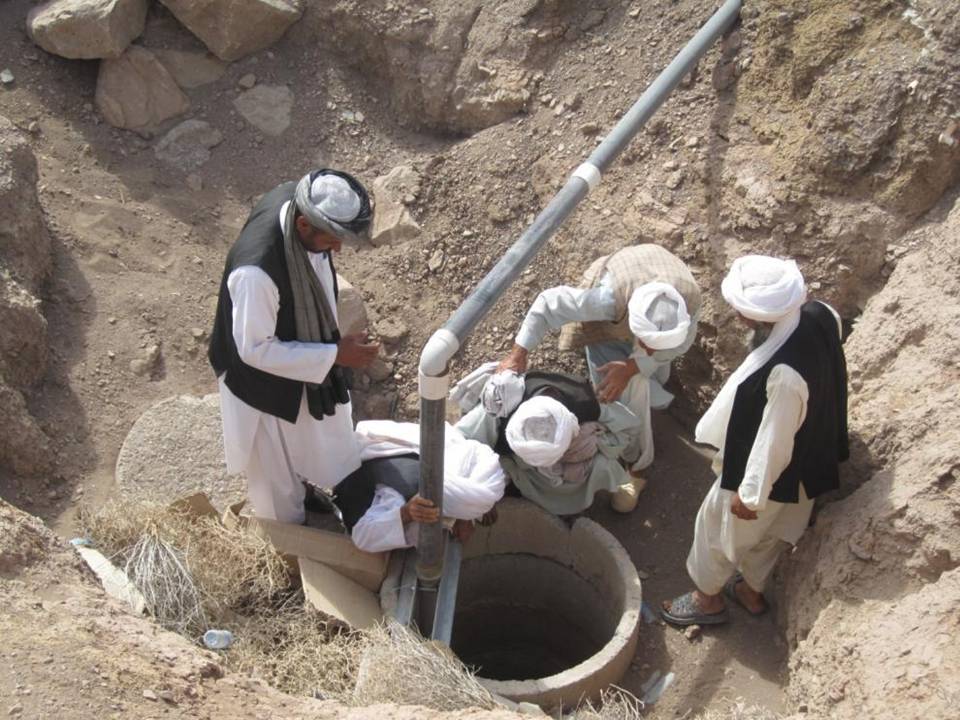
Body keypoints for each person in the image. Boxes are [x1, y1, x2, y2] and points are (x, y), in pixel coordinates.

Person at [661, 255, 848, 626]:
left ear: (763, 316)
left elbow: (774, 439)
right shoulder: (821, 314)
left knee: (718, 532)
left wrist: (750, 494)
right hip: (811, 458)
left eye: (742, 311)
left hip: (768, 475)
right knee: (773, 534)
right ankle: (751, 591)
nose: (736, 315)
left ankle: (706, 601)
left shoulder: (785, 375)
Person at [208, 169, 380, 524]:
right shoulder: (255, 274)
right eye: (333, 239)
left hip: (300, 358)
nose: (338, 248)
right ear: (303, 224)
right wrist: (335, 354)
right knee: (276, 482)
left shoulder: (297, 202)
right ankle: (290, 542)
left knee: (320, 440)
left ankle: (309, 489)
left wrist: (329, 349)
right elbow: (254, 350)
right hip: (257, 385)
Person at [498, 243, 702, 513]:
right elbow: (548, 304)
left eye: (656, 344)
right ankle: (636, 457)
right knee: (615, 391)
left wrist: (632, 366)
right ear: (633, 324)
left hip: (660, 273)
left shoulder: (687, 308)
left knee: (647, 375)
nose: (649, 349)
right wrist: (518, 354)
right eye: (644, 342)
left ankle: (637, 464)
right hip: (621, 288)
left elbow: (673, 348)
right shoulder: (606, 302)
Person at [455, 369, 643, 516]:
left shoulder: (584, 402)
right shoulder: (499, 410)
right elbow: (458, 442)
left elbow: (629, 427)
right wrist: (478, 502)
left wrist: (606, 447)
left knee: (603, 465)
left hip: (570, 462)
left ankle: (621, 481)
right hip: (520, 468)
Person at [332, 420, 506, 553]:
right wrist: (406, 513)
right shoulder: (394, 496)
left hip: (400, 454)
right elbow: (363, 537)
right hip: (364, 476)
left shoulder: (453, 452)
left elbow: (475, 465)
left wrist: (470, 514)